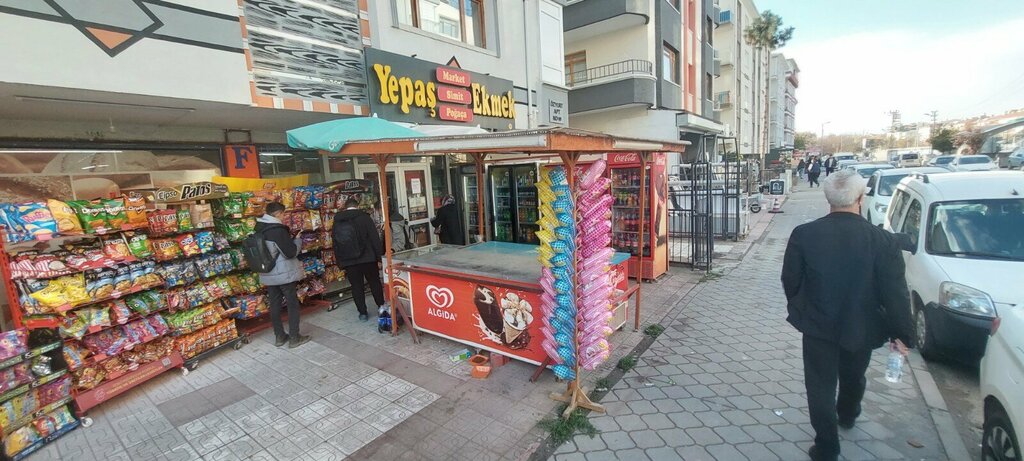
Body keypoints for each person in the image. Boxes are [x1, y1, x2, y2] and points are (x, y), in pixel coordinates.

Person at [781, 169, 914, 461]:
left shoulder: (805, 234)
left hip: (818, 325)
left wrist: (801, 309)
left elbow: (791, 280)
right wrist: (902, 334)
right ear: (860, 198)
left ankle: (827, 446)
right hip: (862, 325)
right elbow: (896, 293)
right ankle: (848, 414)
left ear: (829, 198)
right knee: (854, 376)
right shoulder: (882, 240)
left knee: (819, 385)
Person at [254, 202, 311, 348]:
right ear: (279, 213)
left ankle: (279, 336)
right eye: (284, 214)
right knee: (292, 304)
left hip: (268, 272)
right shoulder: (277, 230)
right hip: (283, 273)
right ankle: (294, 337)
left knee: (274, 305)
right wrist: (297, 240)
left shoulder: (258, 228)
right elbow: (290, 252)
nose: (284, 217)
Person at [332, 198, 386, 322]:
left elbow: (335, 243)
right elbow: (374, 238)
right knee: (374, 282)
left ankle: (362, 313)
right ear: (357, 205)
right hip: (368, 258)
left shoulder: (338, 220)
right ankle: (381, 306)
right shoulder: (365, 218)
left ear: (345, 207)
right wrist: (379, 257)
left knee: (356, 286)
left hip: (348, 260)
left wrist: (340, 262)